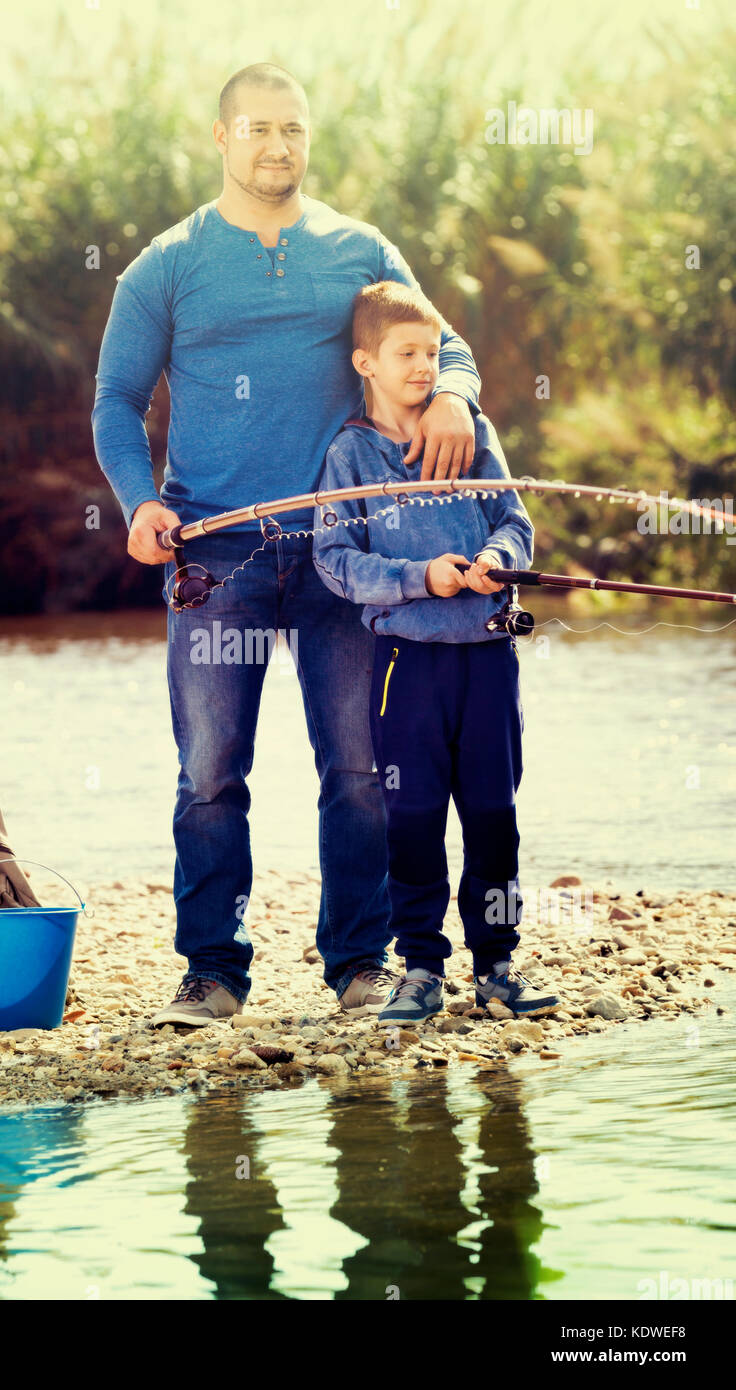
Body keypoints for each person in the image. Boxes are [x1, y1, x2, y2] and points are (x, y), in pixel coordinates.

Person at [93, 63, 483, 1026]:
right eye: (260, 129)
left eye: (295, 131)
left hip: (343, 554)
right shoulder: (166, 265)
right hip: (213, 556)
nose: (279, 147)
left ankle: (358, 961)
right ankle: (214, 971)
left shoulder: (359, 248)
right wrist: (140, 503)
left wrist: (452, 395)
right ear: (221, 138)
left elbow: (448, 343)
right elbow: (115, 403)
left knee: (355, 766)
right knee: (213, 771)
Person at [312, 281, 560, 1022]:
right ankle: (420, 966)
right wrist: (420, 577)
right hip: (405, 668)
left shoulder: (474, 436)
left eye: (432, 352)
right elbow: (334, 561)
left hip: (487, 658)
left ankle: (498, 964)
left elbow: (515, 522)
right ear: (366, 360)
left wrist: (493, 559)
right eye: (407, 353)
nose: (424, 367)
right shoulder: (349, 456)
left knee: (493, 812)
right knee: (412, 815)